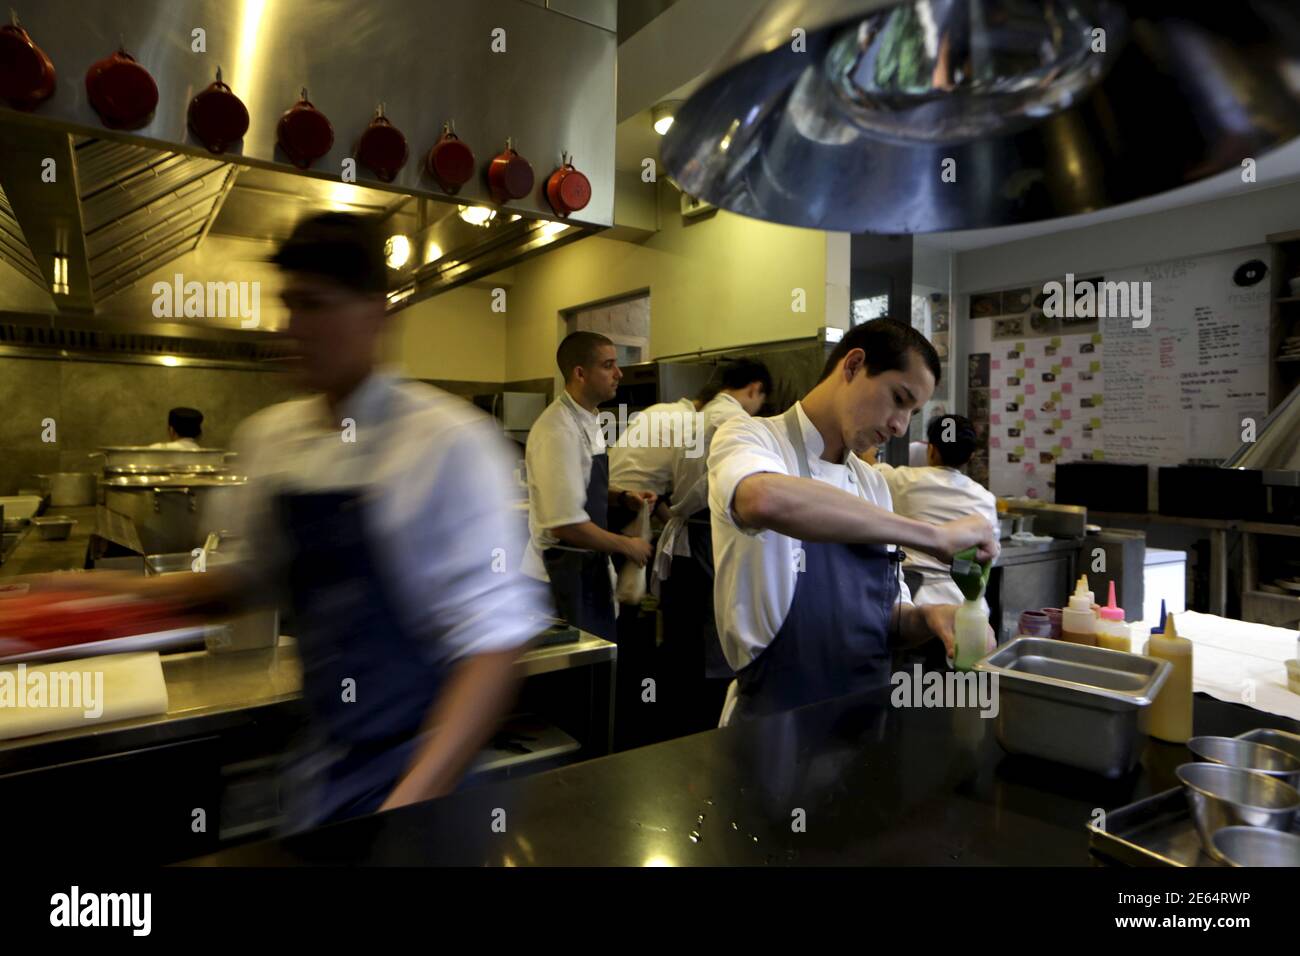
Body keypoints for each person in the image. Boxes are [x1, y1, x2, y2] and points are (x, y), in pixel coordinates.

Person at [19, 212, 549, 832]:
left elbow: (493, 648)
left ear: (376, 314)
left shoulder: (449, 443)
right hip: (323, 770)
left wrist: (408, 804)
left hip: (424, 784)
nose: (291, 329)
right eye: (288, 305)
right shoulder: (274, 437)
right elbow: (238, 586)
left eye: (313, 305)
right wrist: (84, 602)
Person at [707, 319, 998, 724]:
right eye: (898, 398)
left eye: (912, 412)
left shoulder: (872, 485)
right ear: (854, 365)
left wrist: (931, 616)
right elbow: (764, 499)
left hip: (861, 730)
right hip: (771, 729)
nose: (899, 426)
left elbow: (887, 618)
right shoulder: (752, 438)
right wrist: (931, 536)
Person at [654, 358, 770, 736]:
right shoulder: (736, 423)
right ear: (754, 388)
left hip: (686, 540)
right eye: (761, 399)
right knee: (710, 647)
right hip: (707, 538)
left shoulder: (694, 418)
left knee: (683, 643)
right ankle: (703, 738)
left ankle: (674, 731)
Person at [523, 332, 655, 641]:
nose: (619, 374)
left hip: (588, 567)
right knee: (573, 682)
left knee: (596, 668)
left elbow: (580, 484)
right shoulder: (557, 431)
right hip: (559, 574)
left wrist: (622, 499)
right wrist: (628, 545)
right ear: (580, 373)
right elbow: (565, 524)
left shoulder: (590, 418)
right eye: (609, 365)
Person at [873, 414, 1000, 607]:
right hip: (967, 601)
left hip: (915, 598)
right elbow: (992, 555)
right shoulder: (986, 498)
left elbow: (871, 469)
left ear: (931, 450)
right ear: (970, 457)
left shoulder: (903, 481)